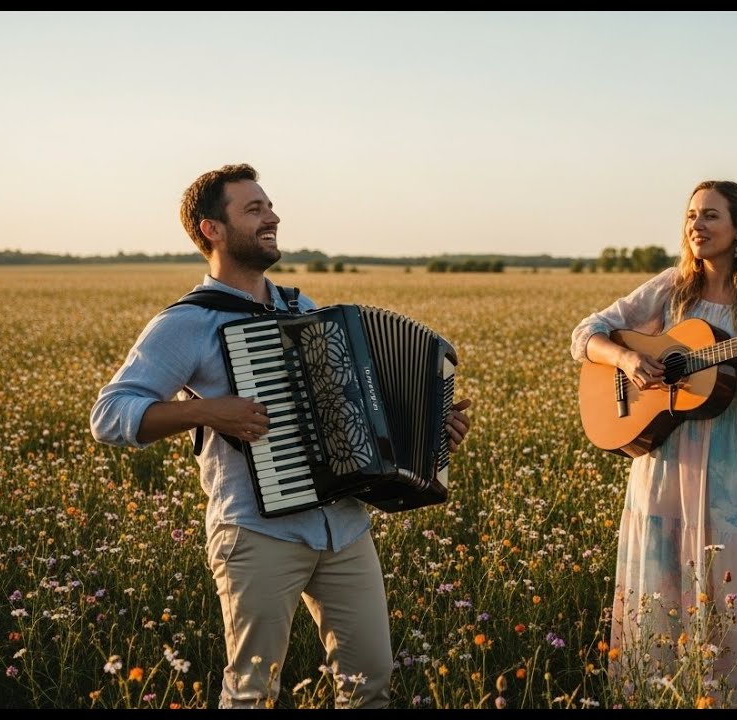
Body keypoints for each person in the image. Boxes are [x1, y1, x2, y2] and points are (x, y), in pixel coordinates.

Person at [90, 163, 473, 709]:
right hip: (256, 532)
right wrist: (209, 413)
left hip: (342, 528)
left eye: (269, 206)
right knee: (252, 692)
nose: (272, 217)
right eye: (254, 209)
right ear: (211, 230)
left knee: (370, 683)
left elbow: (357, 418)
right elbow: (109, 414)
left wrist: (432, 433)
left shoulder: (305, 310)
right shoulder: (188, 323)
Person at [570, 180, 737, 707]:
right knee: (662, 586)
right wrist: (629, 360)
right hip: (665, 456)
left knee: (734, 590)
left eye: (710, 217)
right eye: (691, 216)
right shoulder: (669, 288)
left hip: (733, 462)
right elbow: (588, 333)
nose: (696, 226)